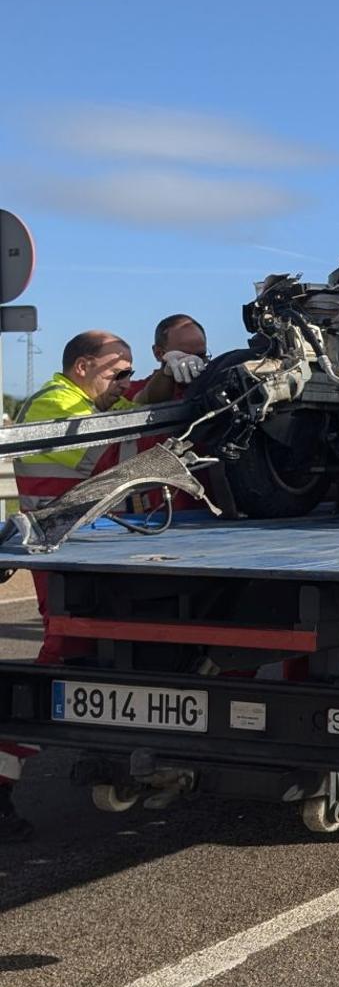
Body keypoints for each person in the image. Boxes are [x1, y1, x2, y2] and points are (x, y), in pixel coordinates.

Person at [5, 331, 191, 841]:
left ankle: (104, 757)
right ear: (84, 366)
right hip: (63, 553)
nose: (125, 383)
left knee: (95, 658)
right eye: (118, 372)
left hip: (87, 552)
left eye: (132, 372)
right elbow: (107, 447)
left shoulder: (83, 398)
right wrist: (156, 389)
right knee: (63, 658)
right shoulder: (54, 404)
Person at [125, 314, 213, 513]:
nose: (192, 361)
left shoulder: (216, 388)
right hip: (155, 519)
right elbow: (143, 400)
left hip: (212, 514)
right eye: (182, 355)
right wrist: (167, 371)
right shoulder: (135, 389)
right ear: (159, 353)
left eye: (200, 355)